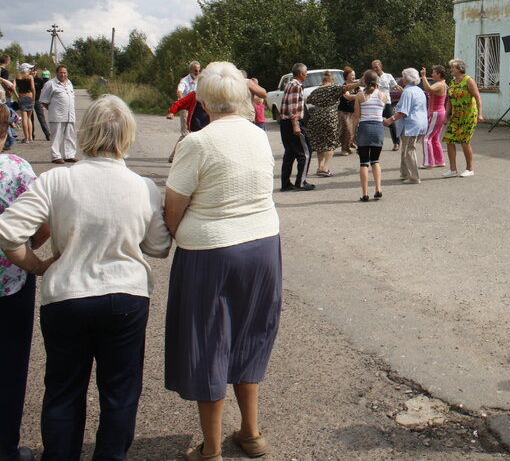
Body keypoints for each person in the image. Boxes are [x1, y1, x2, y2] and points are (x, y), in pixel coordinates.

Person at [0, 95, 172, 460]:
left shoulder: (57, 180)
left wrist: (35, 265)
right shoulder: (143, 186)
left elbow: (7, 233)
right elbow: (158, 247)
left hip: (67, 296)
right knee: (120, 391)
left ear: (85, 132)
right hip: (126, 297)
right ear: (127, 133)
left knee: (64, 389)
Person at [163, 61, 281, 461]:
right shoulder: (258, 135)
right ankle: (251, 433)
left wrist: (179, 235)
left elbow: (173, 208)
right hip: (263, 245)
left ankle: (211, 449)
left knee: (210, 342)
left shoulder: (196, 142)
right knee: (251, 336)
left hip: (211, 253)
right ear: (242, 97)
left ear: (204, 98)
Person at [0, 104, 45, 461]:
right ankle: (5, 447)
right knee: (10, 365)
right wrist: (34, 255)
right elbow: (41, 219)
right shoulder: (16, 170)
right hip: (11, 281)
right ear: (6, 131)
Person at [441, 58, 483, 178]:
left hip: (469, 115)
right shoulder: (453, 83)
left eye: (452, 68)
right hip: (456, 116)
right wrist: (445, 116)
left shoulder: (468, 80)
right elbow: (449, 101)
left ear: (459, 69)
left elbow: (477, 97)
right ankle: (453, 169)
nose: (451, 70)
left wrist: (480, 114)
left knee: (464, 142)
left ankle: (469, 169)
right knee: (449, 140)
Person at [384, 68, 428, 184]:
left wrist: (390, 119)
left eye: (403, 77)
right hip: (420, 123)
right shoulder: (419, 90)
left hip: (411, 124)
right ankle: (404, 173)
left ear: (407, 79)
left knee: (409, 149)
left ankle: (414, 177)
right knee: (406, 148)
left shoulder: (408, 92)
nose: (402, 78)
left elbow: (403, 111)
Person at [279, 63, 314, 192]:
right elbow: (293, 106)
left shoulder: (288, 83)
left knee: (290, 153)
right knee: (305, 152)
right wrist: (295, 124)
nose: (306, 75)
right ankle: (301, 182)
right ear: (301, 73)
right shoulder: (296, 85)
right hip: (293, 122)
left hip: (285, 123)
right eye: (306, 72)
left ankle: (285, 183)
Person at [355, 70, 388, 201]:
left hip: (364, 128)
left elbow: (356, 116)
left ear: (364, 81)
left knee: (364, 162)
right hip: (378, 129)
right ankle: (378, 188)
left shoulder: (360, 96)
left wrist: (353, 131)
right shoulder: (383, 95)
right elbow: (382, 110)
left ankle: (365, 193)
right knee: (375, 161)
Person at [305, 71, 344, 178]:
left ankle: (320, 167)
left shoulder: (317, 90)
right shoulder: (334, 88)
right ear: (332, 80)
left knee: (320, 143)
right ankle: (325, 168)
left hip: (316, 118)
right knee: (330, 143)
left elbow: (308, 101)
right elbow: (347, 88)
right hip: (330, 118)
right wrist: (359, 84)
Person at [37, 64, 77, 164]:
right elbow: (43, 100)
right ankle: (56, 156)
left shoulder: (69, 83)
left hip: (70, 115)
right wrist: (52, 109)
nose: (63, 74)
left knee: (70, 136)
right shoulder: (50, 84)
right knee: (56, 137)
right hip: (57, 115)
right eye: (61, 72)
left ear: (67, 73)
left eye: (64, 72)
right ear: (56, 73)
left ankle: (69, 155)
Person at [169, 61, 201, 162]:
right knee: (185, 134)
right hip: (186, 107)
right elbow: (179, 92)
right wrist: (183, 102)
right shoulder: (185, 81)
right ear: (190, 70)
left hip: (197, 109)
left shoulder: (200, 80)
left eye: (198, 70)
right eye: (195, 70)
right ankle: (173, 156)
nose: (197, 72)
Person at [419, 65, 448, 169]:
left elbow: (429, 89)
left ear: (439, 74)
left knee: (425, 137)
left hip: (436, 113)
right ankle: (439, 161)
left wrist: (423, 76)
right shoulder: (442, 84)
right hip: (439, 113)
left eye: (434, 72)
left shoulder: (440, 84)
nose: (432, 74)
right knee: (434, 138)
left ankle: (428, 162)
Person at [371, 59, 401, 151]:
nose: (375, 69)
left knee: (391, 122)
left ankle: (396, 143)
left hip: (386, 102)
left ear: (381, 66)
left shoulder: (388, 76)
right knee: (374, 122)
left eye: (376, 66)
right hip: (376, 102)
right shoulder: (373, 77)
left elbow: (396, 86)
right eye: (373, 67)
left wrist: (403, 91)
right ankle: (374, 143)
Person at [338, 67, 359, 155]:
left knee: (353, 130)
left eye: (354, 75)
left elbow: (362, 93)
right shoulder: (344, 86)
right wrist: (358, 95)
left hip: (354, 112)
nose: (354, 77)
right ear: (346, 76)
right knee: (346, 130)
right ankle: (344, 149)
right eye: (352, 75)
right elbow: (347, 97)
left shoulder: (356, 86)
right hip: (344, 112)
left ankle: (349, 146)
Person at [32, 67, 50, 141]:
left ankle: (47, 134)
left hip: (38, 100)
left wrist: (43, 101)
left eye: (35, 71)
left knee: (41, 118)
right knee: (30, 119)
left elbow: (44, 91)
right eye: (32, 71)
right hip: (30, 101)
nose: (33, 72)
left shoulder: (39, 80)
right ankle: (31, 135)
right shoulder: (27, 79)